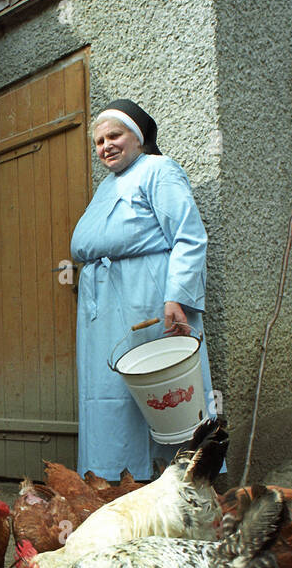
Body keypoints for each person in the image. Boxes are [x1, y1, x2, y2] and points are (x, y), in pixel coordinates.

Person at [68, 99, 218, 481]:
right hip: (104, 305)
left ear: (138, 137)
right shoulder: (107, 186)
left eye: (114, 135)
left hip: (145, 300)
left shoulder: (158, 170)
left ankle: (174, 483)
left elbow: (188, 237)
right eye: (99, 141)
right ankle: (116, 480)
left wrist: (177, 298)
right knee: (111, 392)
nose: (105, 146)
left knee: (156, 387)